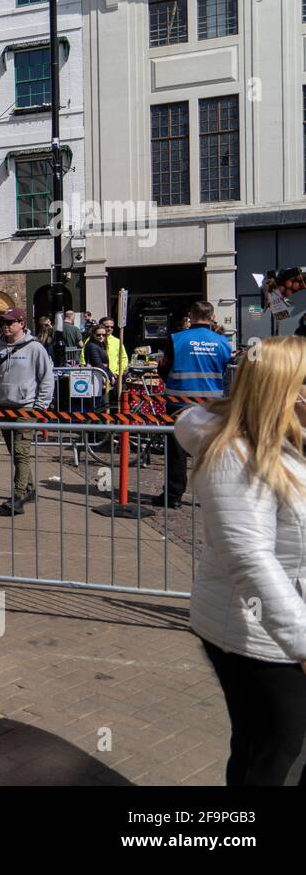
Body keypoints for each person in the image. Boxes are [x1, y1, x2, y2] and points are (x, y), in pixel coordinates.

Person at [174, 335, 306, 785]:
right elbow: (249, 557)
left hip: (281, 631)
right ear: (289, 388)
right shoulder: (234, 453)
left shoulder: (292, 437)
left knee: (262, 745)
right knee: (279, 752)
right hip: (259, 638)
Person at [153, 301, 233, 508]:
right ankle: (213, 496)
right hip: (212, 402)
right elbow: (224, 370)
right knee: (210, 450)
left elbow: (163, 368)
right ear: (212, 316)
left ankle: (173, 495)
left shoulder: (177, 339)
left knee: (176, 449)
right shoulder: (223, 342)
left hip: (179, 400)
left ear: (191, 315)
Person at [0, 308, 54, 516]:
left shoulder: (35, 348)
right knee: (15, 451)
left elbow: (46, 379)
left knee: (22, 452)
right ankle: (30, 490)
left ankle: (18, 495)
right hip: (3, 407)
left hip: (26, 407)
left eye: (11, 322)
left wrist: (41, 406)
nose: (6, 326)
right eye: (3, 322)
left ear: (21, 323)